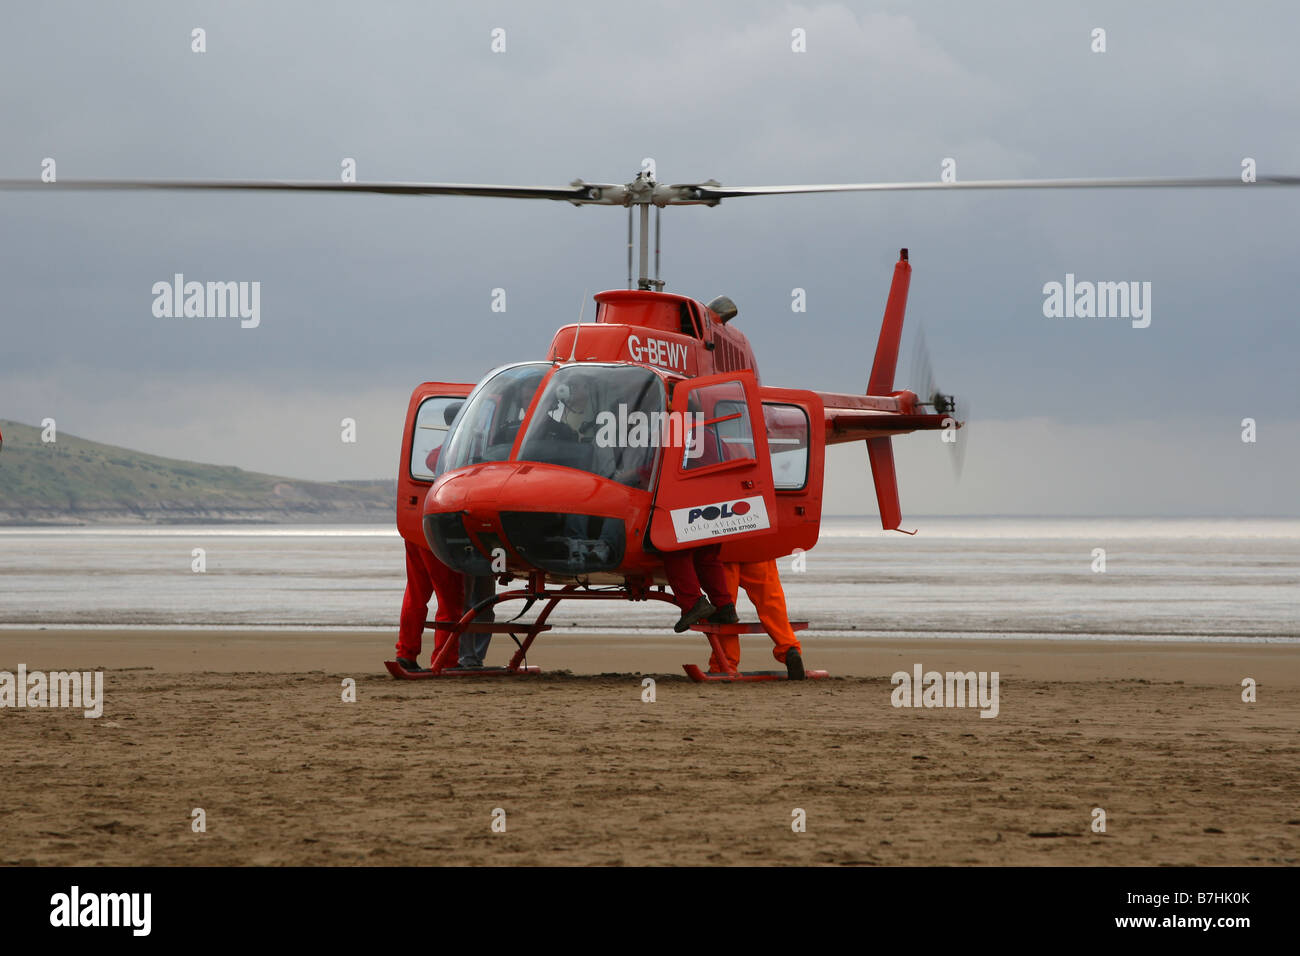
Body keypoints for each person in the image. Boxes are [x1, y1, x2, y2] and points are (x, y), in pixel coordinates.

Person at [705, 559, 805, 679]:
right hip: (758, 552)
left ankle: (724, 664)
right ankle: (788, 647)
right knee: (770, 599)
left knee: (725, 607)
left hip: (723, 553)